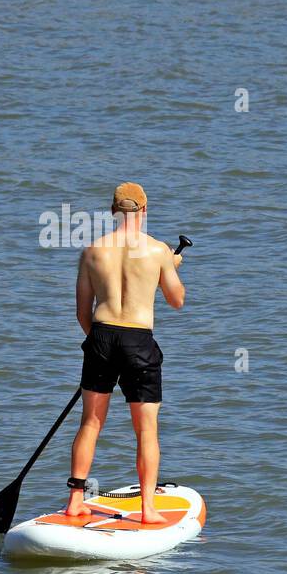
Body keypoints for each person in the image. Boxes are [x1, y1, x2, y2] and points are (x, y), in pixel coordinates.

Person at [64, 182, 185, 524]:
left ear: (114, 211)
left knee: (90, 422)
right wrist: (171, 267)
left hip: (101, 337)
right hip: (139, 341)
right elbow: (177, 301)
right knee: (146, 430)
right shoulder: (158, 251)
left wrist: (100, 346)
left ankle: (75, 499)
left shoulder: (92, 251)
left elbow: (81, 312)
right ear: (144, 211)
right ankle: (147, 509)